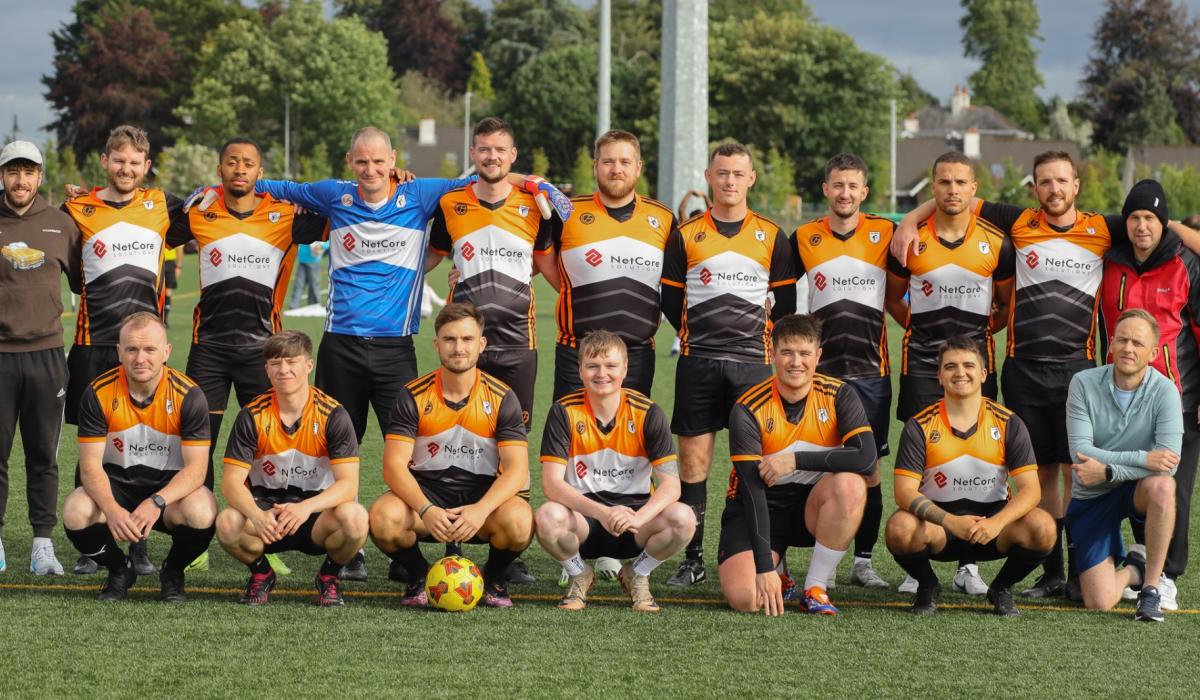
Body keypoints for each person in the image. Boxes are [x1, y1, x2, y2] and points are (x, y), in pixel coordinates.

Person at [888, 150, 1200, 600]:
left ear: (1076, 186)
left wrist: (1183, 233)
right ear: (1035, 189)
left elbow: (1151, 220)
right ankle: (1052, 572)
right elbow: (955, 201)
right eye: (1045, 183)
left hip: (1077, 370)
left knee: (1081, 470)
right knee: (1041, 471)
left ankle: (1081, 571)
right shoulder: (1018, 222)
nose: (1054, 190)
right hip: (1022, 369)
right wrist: (905, 222)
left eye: (1062, 181)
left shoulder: (1102, 228)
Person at [660, 142, 797, 587]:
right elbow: (670, 299)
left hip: (752, 367)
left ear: (751, 178)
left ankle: (768, 553)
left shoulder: (772, 235)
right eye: (722, 174)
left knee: (757, 467)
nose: (730, 181)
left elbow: (787, 304)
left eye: (738, 174)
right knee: (694, 465)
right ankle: (694, 559)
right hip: (698, 363)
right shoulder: (685, 234)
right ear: (708, 176)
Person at [884, 150, 1014, 596]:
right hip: (921, 364)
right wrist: (919, 333)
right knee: (924, 462)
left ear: (973, 189)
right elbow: (894, 298)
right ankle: (916, 559)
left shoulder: (996, 242)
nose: (952, 190)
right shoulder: (910, 240)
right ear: (933, 187)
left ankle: (968, 563)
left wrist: (976, 346)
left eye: (961, 182)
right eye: (943, 182)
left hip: (977, 369)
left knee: (978, 457)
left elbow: (1005, 303)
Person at [63, 124, 184, 577]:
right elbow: (70, 268)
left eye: (135, 162)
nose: (126, 169)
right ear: (104, 162)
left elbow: (216, 208)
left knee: (145, 446)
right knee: (93, 446)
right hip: (93, 345)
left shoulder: (162, 205)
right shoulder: (77, 207)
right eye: (119, 160)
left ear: (146, 166)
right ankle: (90, 540)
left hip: (145, 350)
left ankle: (140, 544)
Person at [368, 303, 533, 608]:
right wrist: (426, 508)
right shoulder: (412, 395)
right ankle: (419, 576)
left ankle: (493, 578)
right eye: (450, 339)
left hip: (481, 500)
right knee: (383, 517)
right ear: (437, 344)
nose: (459, 348)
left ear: (481, 344)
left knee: (520, 521)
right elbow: (393, 466)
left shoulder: (502, 397)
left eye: (467, 339)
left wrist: (481, 509)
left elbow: (516, 470)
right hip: (428, 494)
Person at [885, 335, 1055, 616]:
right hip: (940, 529)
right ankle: (927, 586)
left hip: (993, 530)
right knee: (900, 528)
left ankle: (1001, 588)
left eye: (968, 365)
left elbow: (1031, 491)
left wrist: (996, 523)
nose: (960, 373)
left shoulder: (1008, 422)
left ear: (983, 374)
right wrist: (952, 522)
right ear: (939, 376)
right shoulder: (920, 425)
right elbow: (904, 492)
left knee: (1044, 527)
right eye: (950, 367)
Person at [718, 314, 875, 616]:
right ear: (773, 353)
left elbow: (866, 458)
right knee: (748, 600)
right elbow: (751, 492)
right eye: (787, 352)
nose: (796, 362)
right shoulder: (747, 408)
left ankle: (815, 587)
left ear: (818, 356)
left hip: (813, 509)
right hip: (762, 507)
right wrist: (763, 568)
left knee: (851, 484)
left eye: (804, 353)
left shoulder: (839, 394)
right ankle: (777, 569)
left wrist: (794, 460)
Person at [791, 153, 895, 590]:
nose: (845, 193)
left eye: (853, 186)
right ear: (825, 189)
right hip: (822, 379)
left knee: (868, 471)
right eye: (838, 185)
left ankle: (863, 562)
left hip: (872, 374)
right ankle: (825, 563)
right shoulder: (803, 237)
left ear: (865, 192)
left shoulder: (886, 232)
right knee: (824, 469)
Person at [535, 330, 695, 611]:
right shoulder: (563, 411)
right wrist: (603, 513)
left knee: (684, 519)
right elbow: (551, 484)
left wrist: (638, 516)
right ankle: (578, 573)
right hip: (585, 521)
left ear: (625, 369)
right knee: (547, 516)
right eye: (593, 366)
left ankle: (638, 573)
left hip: (635, 523)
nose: (602, 374)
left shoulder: (649, 412)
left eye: (610, 366)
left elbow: (671, 485)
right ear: (580, 370)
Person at [61, 312, 216, 602]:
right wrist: (111, 508)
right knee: (75, 509)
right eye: (131, 349)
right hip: (117, 488)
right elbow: (90, 465)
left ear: (166, 352)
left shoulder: (189, 395)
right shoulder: (98, 393)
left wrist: (157, 501)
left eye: (149, 350)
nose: (140, 358)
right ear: (119, 352)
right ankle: (120, 569)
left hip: (167, 496)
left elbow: (197, 469)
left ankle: (172, 571)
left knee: (202, 510)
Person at [1099, 180, 1200, 612]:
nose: (1143, 226)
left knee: (1173, 486)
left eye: (1152, 219)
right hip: (1119, 399)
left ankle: (1169, 576)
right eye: (1136, 217)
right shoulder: (1109, 261)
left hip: (1177, 398)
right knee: (1129, 482)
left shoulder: (1186, 264)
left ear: (1164, 224)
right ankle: (1141, 558)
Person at [216, 330, 368, 607]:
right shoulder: (252, 415)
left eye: (291, 362)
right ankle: (261, 573)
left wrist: (306, 508)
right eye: (275, 363)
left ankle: (329, 576)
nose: (283, 369)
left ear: (308, 366)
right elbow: (230, 483)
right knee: (227, 522)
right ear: (267, 369)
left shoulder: (333, 414)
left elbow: (349, 485)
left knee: (356, 518)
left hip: (315, 518)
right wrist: (256, 515)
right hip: (267, 519)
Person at [1066, 309, 1182, 622]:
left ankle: (1151, 589)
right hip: (1092, 494)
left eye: (1138, 343)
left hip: (1131, 487)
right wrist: (1144, 458)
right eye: (1123, 340)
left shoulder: (1166, 391)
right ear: (1111, 344)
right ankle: (1135, 568)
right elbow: (1080, 454)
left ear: (1153, 353)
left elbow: (1168, 464)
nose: (1128, 348)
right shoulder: (1083, 383)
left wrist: (1108, 469)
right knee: (1099, 602)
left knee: (1163, 486)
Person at [0, 140, 81, 575]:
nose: (20, 180)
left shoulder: (60, 224)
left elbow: (85, 283)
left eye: (28, 171)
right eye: (13, 171)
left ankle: (42, 544)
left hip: (47, 355)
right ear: (2, 175)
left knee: (42, 455)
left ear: (40, 176)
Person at [547, 129, 676, 400]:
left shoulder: (663, 218)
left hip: (637, 353)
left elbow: (682, 276)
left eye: (625, 162)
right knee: (571, 438)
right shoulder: (566, 211)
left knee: (631, 439)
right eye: (607, 162)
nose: (616, 169)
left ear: (638, 168)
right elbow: (536, 256)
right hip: (577, 351)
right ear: (595, 167)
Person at [290, 241, 327, 309]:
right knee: (298, 284)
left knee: (314, 285)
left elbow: (329, 240)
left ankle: (315, 306)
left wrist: (322, 246)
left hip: (314, 261)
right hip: (302, 260)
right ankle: (293, 306)